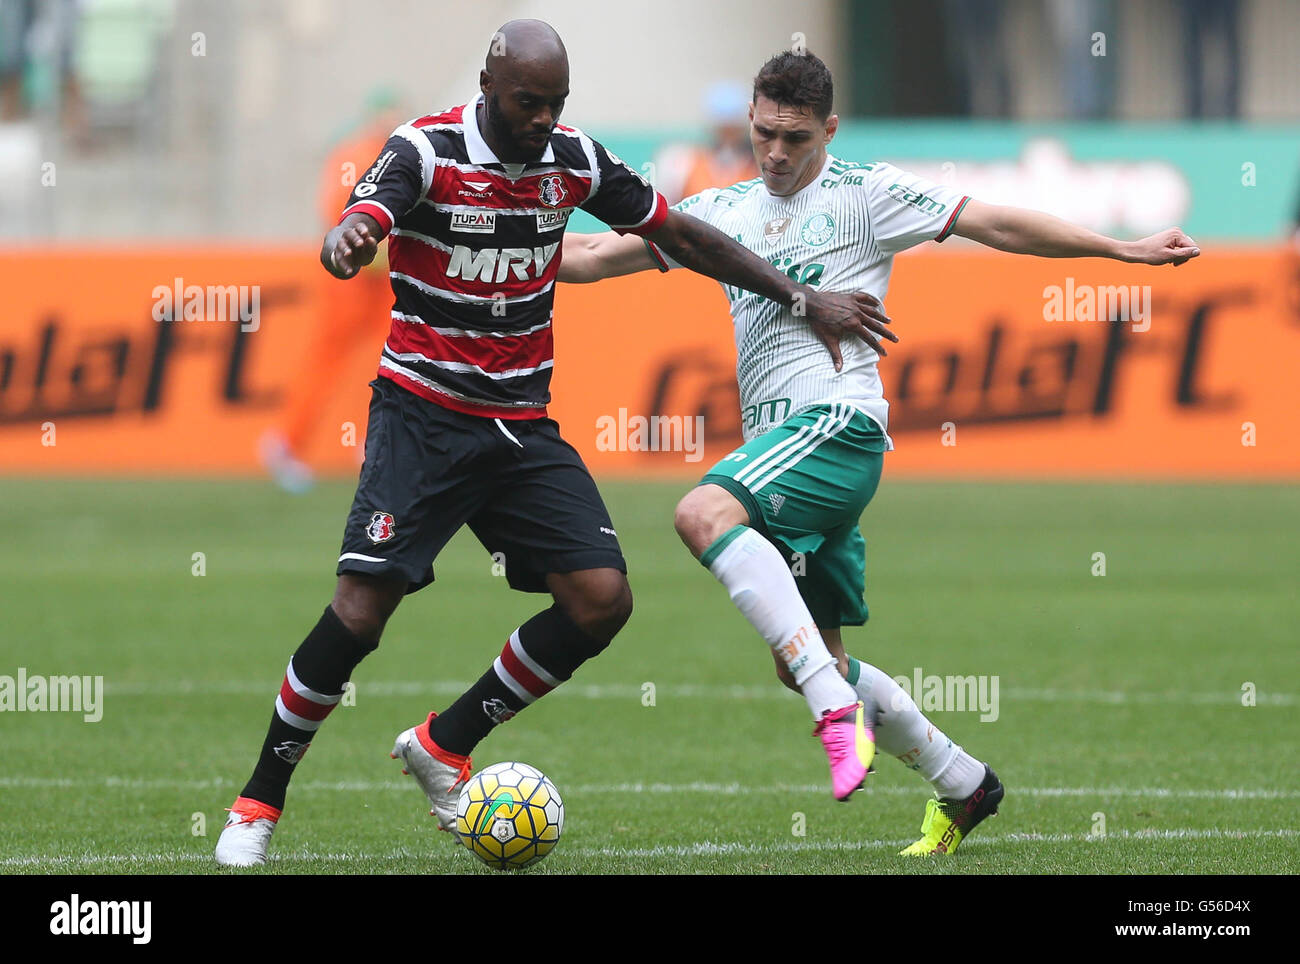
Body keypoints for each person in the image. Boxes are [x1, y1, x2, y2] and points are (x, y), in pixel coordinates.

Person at [214, 21, 893, 867]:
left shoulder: (571, 158)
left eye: (555, 104)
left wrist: (801, 296)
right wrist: (348, 239)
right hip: (421, 420)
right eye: (528, 103)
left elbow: (679, 234)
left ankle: (443, 744)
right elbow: (363, 216)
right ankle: (257, 804)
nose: (542, 119)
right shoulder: (424, 150)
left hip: (519, 429)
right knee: (359, 614)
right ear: (492, 90)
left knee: (601, 599)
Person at [559, 49, 1200, 854]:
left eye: (795, 137)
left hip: (838, 429)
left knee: (700, 512)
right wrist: (468, 242)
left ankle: (835, 709)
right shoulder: (718, 212)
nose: (777, 153)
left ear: (829, 128)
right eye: (764, 134)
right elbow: (586, 259)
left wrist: (1120, 250)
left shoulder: (866, 195)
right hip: (785, 455)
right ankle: (965, 782)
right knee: (807, 662)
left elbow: (993, 221)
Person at [260, 89, 406, 493]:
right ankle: (289, 441)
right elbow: (340, 217)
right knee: (331, 358)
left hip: (382, 279)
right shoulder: (356, 153)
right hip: (353, 278)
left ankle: (374, 444)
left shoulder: (394, 153)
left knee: (392, 362)